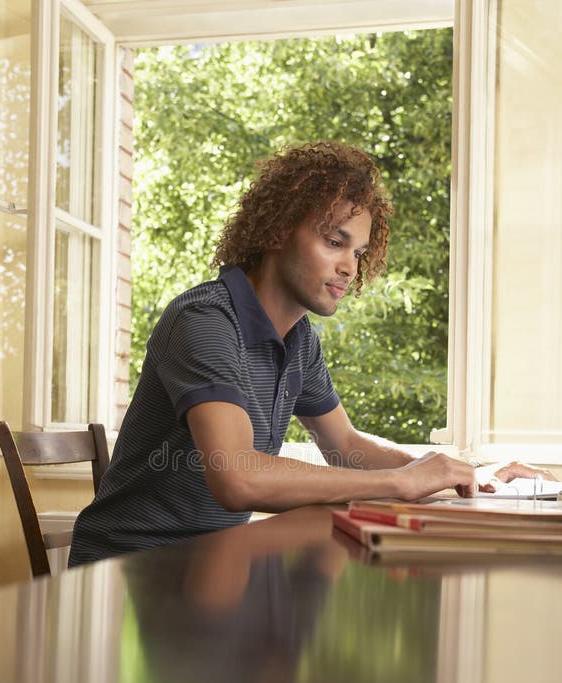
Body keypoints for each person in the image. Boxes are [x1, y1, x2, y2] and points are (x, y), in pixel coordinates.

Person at [69, 141, 546, 566]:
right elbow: (238, 476)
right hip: (130, 567)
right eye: (334, 241)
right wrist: (403, 482)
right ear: (276, 231)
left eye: (358, 253)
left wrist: (459, 475)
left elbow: (347, 449)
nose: (348, 267)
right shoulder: (204, 320)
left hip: (215, 560)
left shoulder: (299, 339)